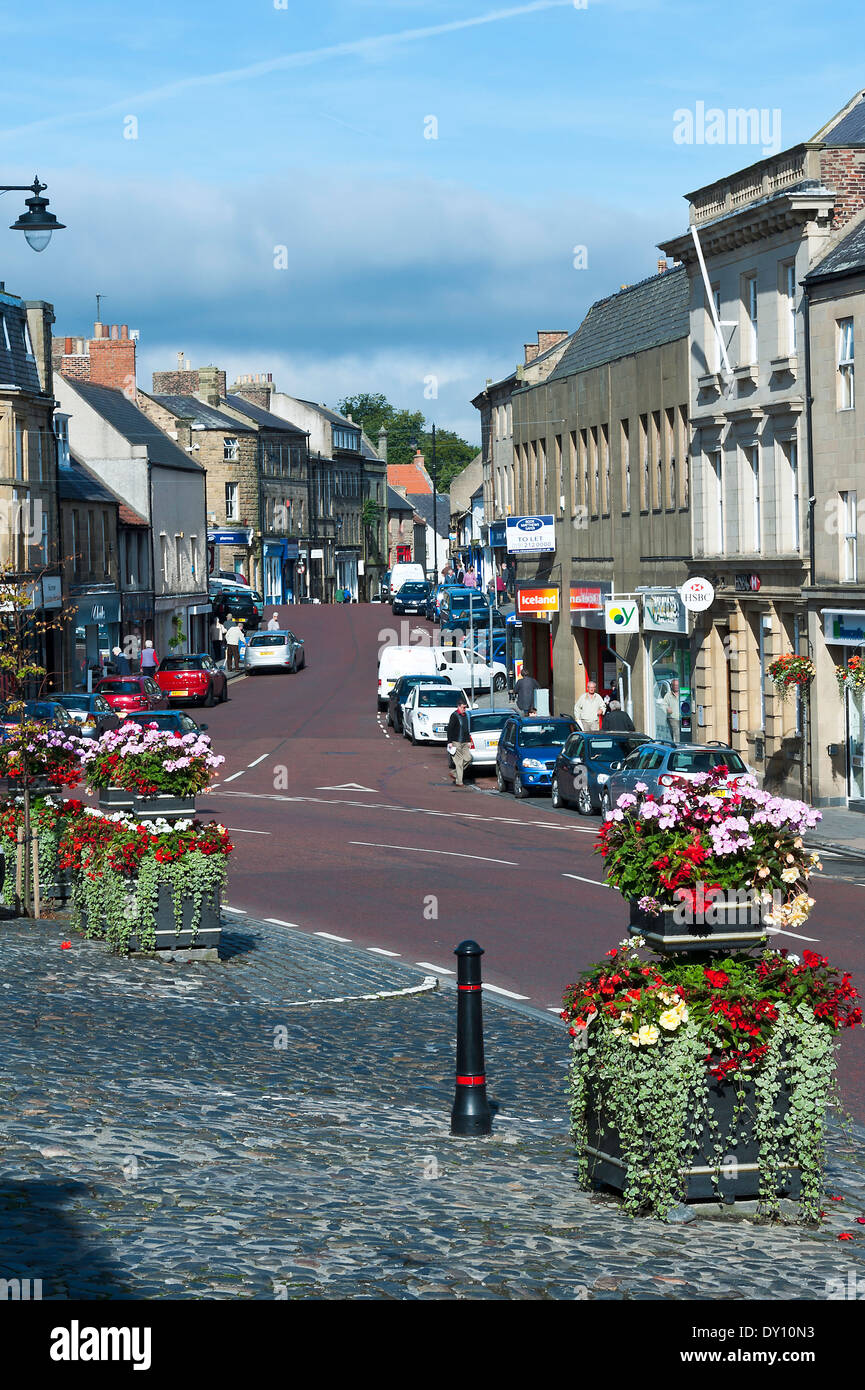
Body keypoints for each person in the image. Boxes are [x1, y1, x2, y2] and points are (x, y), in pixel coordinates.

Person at [446, 699, 472, 787]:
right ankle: (459, 782)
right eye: (463, 707)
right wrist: (450, 742)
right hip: (456, 742)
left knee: (468, 758)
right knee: (459, 762)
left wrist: (469, 741)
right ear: (458, 706)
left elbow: (466, 729)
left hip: (464, 742)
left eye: (465, 707)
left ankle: (454, 772)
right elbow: (450, 729)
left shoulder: (465, 716)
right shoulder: (454, 716)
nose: (464, 709)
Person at [662, 678, 681, 743]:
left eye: (677, 685)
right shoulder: (668, 695)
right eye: (675, 685)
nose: (676, 687)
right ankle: (677, 746)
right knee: (676, 733)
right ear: (671, 686)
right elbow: (663, 705)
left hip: (684, 718)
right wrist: (667, 708)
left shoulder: (683, 694)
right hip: (673, 718)